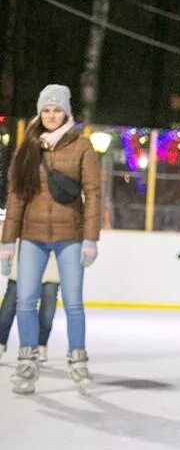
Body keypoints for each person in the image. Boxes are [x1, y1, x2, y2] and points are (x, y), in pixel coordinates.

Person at [1, 84, 101, 393]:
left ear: (67, 112)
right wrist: (7, 242)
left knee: (73, 302)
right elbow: (16, 195)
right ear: (40, 112)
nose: (51, 115)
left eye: (57, 110)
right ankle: (27, 362)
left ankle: (78, 362)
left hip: (70, 235)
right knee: (25, 300)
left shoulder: (82, 147)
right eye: (46, 110)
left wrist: (90, 238)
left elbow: (94, 194)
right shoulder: (28, 146)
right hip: (31, 235)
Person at [0, 242, 60, 364]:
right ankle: (0, 342)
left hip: (51, 262)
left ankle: (40, 345)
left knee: (47, 310)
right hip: (23, 258)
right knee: (8, 308)